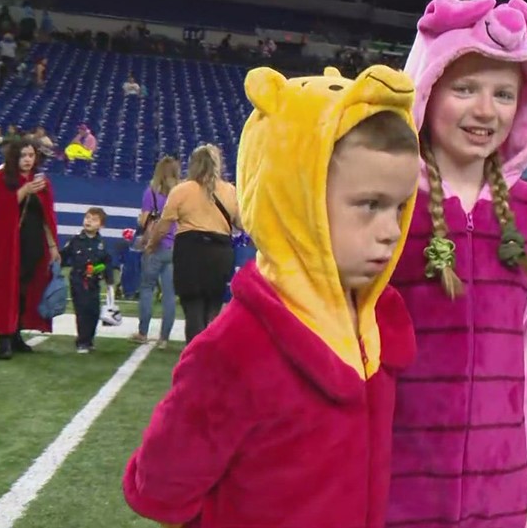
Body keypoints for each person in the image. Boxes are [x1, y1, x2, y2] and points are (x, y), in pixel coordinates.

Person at [124, 64, 421, 527]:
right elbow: (162, 490)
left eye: (400, 207)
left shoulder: (375, 329)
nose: (391, 230)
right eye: (370, 205)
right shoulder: (234, 350)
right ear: (294, 198)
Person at [386, 0, 527, 528]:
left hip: (499, 489)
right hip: (395, 483)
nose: (486, 111)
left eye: (504, 94)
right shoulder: (389, 198)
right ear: (427, 89)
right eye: (465, 89)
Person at [145, 144, 240, 343]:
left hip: (191, 251)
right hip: (220, 251)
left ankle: (196, 352)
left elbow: (163, 227)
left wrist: (151, 245)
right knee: (213, 303)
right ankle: (211, 350)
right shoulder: (230, 191)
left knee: (193, 305)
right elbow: (240, 223)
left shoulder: (181, 190)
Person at [0, 139, 60, 360]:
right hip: (8, 246)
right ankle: (4, 340)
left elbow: (47, 216)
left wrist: (53, 245)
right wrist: (24, 190)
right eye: (23, 155)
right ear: (14, 157)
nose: (27, 160)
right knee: (6, 290)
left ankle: (16, 335)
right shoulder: (1, 178)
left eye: (31, 156)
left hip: (33, 245)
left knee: (25, 291)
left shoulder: (42, 181)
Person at [131, 156, 180, 349]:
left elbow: (143, 221)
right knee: (169, 294)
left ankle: (143, 332)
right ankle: (164, 338)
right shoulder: (182, 193)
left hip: (155, 245)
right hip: (175, 247)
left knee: (147, 288)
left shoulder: (150, 192)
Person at [60, 207, 114, 354]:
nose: (89, 221)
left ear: (101, 226)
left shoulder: (101, 243)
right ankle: (82, 341)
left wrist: (109, 280)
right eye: (87, 218)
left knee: (93, 311)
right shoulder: (75, 240)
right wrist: (54, 269)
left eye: (94, 219)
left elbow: (106, 262)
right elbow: (63, 256)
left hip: (94, 282)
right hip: (78, 280)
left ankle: (89, 339)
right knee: (82, 310)